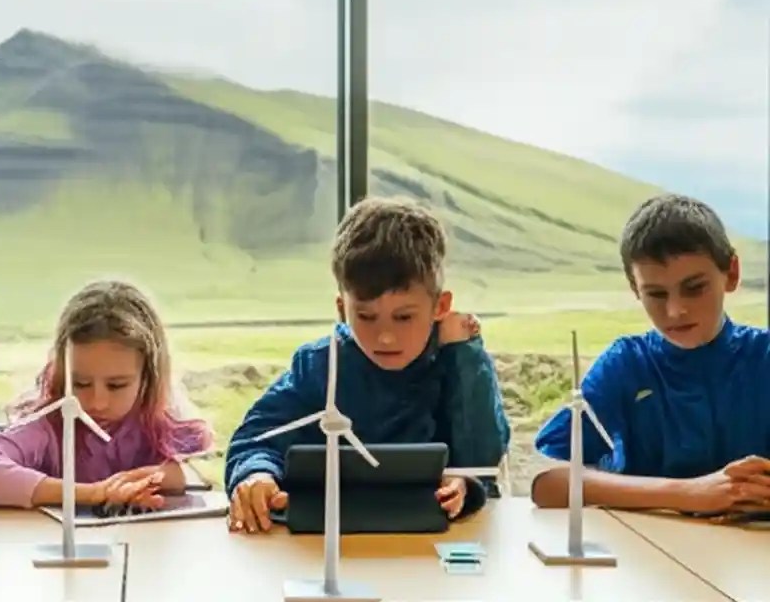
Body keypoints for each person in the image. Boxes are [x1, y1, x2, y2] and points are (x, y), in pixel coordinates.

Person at [225, 196, 511, 533]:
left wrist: (465, 354)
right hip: (327, 543)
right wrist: (256, 473)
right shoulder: (320, 366)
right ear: (341, 309)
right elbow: (256, 438)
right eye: (366, 316)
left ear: (440, 306)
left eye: (404, 317)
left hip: (437, 545)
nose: (385, 337)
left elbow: (484, 457)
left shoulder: (456, 362)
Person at [532, 194, 770, 515]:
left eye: (695, 287)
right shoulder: (626, 364)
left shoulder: (763, 357)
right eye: (656, 294)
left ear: (731, 273)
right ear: (634, 289)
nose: (675, 311)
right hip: (650, 556)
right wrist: (689, 492)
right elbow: (545, 479)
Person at [0, 279, 213, 510]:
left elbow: (208, 474)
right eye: (79, 383)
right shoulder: (51, 420)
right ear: (61, 371)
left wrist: (172, 476)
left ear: (149, 376)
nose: (96, 402)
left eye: (116, 385)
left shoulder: (163, 420)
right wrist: (93, 493)